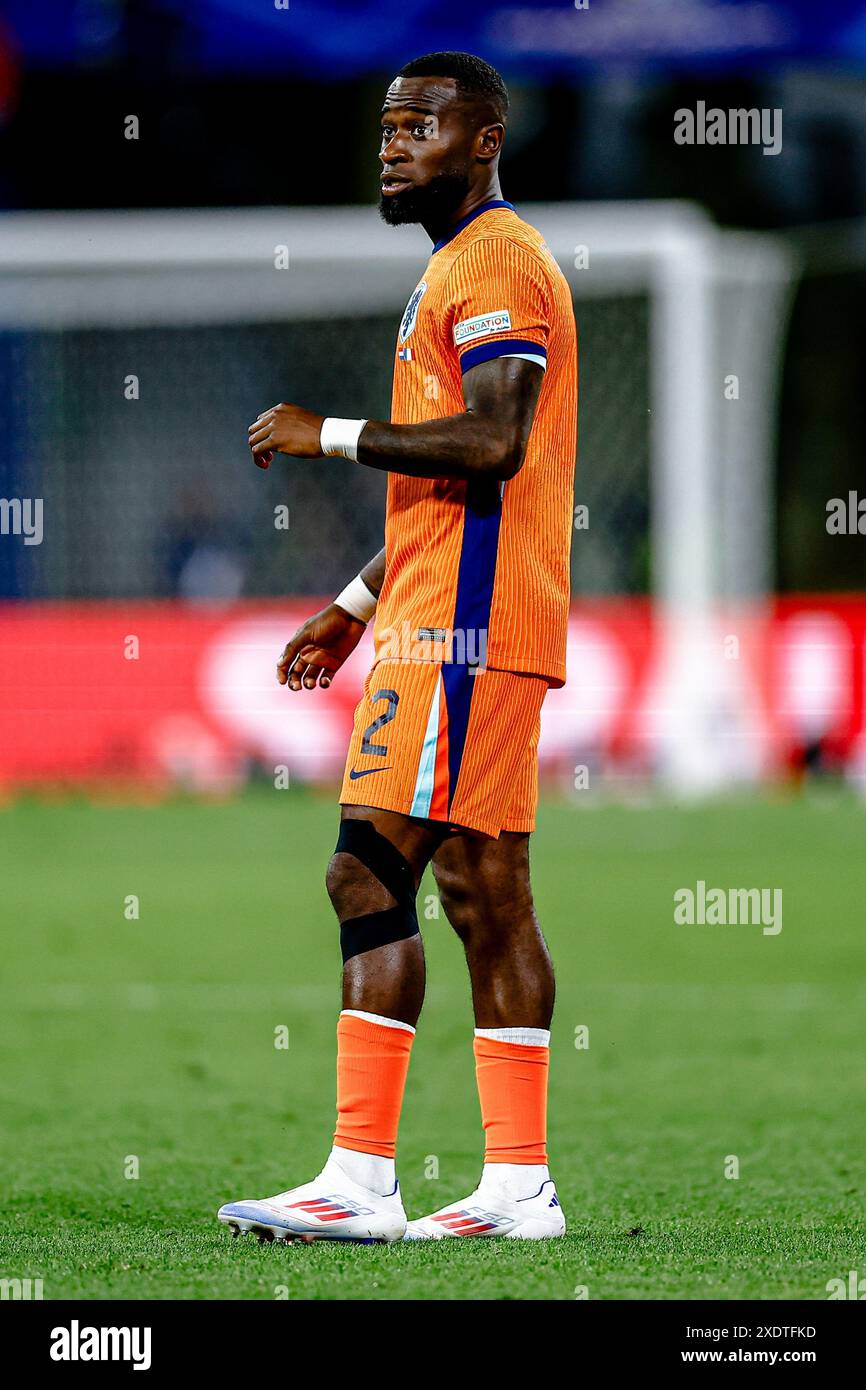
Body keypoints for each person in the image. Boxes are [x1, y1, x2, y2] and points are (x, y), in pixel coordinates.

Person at [218, 49, 577, 1243]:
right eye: (385, 124)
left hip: (466, 636)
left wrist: (323, 434)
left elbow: (491, 444)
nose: (393, 140)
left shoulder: (496, 262)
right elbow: (447, 489)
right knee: (484, 894)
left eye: (420, 122)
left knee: (368, 873)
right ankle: (513, 1189)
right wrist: (354, 604)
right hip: (438, 623)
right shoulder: (456, 266)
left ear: (483, 139)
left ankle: (362, 1179)